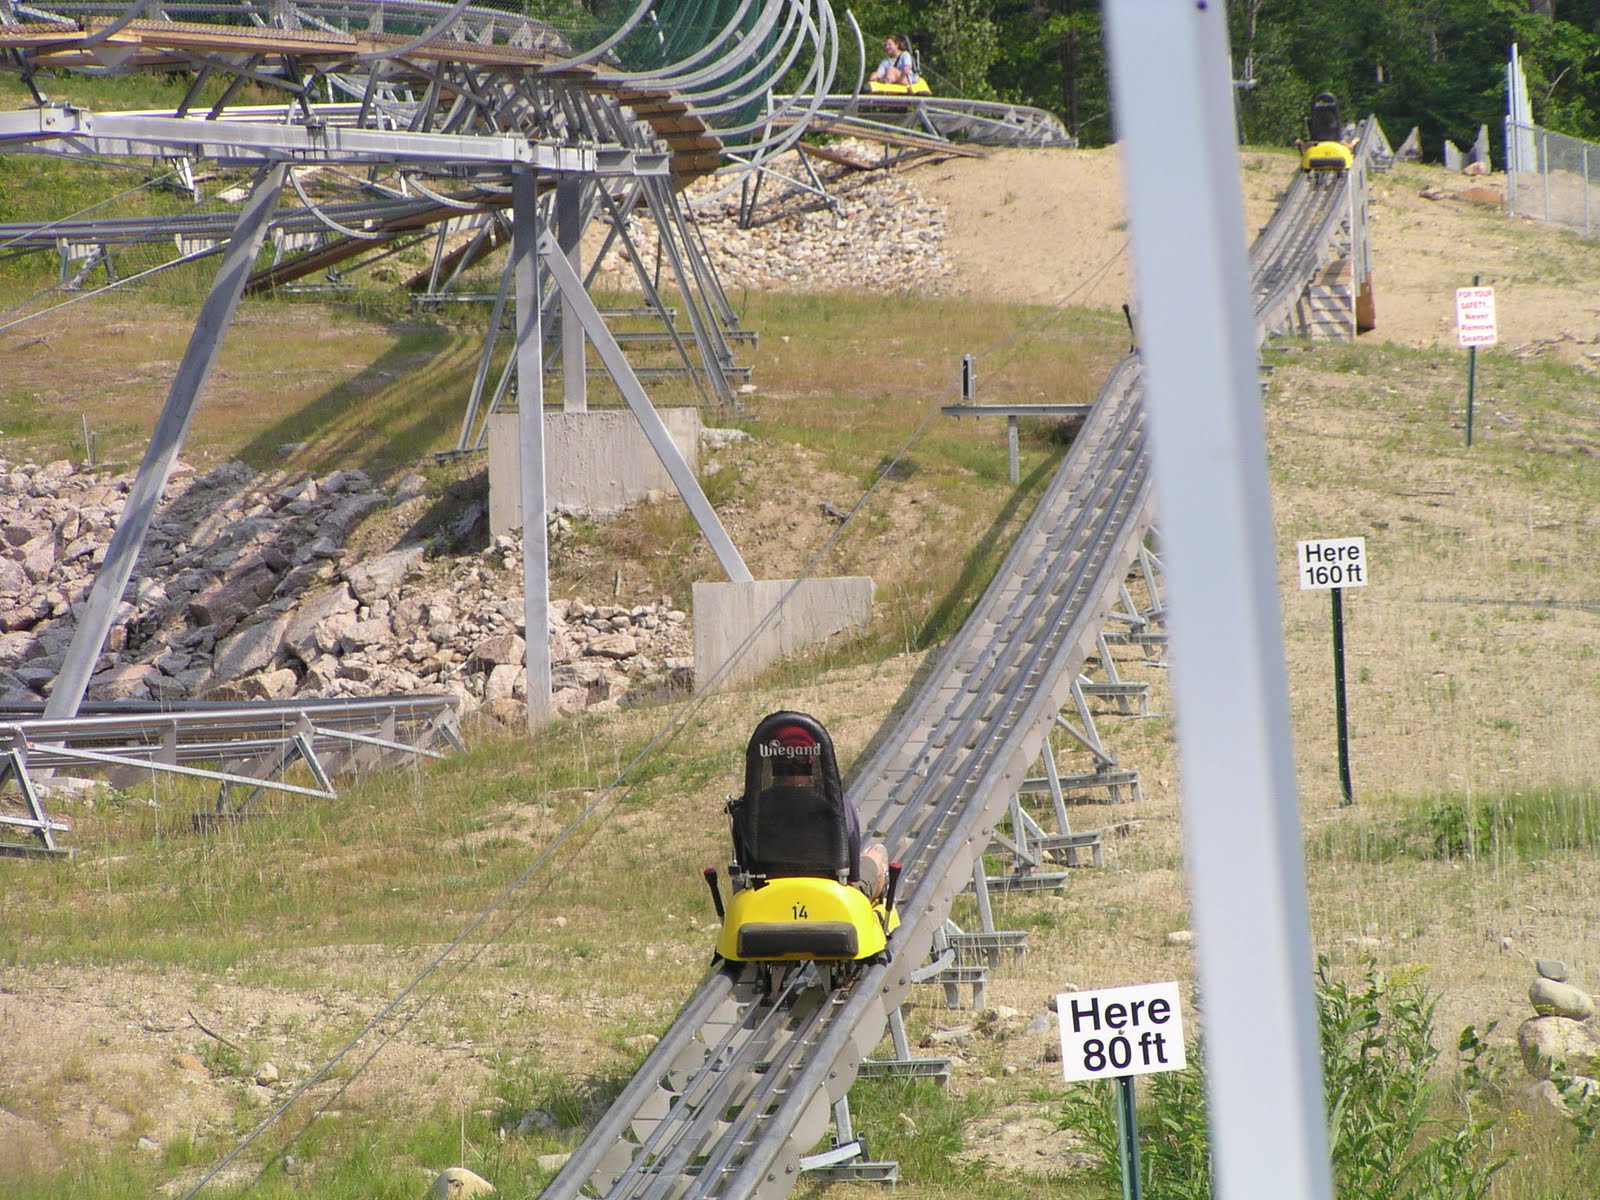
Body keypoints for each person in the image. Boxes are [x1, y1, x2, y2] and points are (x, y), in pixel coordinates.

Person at [729, 711, 889, 902]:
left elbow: (741, 874)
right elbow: (853, 877)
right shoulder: (839, 805)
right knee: (877, 855)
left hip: (767, 901)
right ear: (813, 759)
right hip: (829, 901)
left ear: (770, 761)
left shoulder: (746, 812)